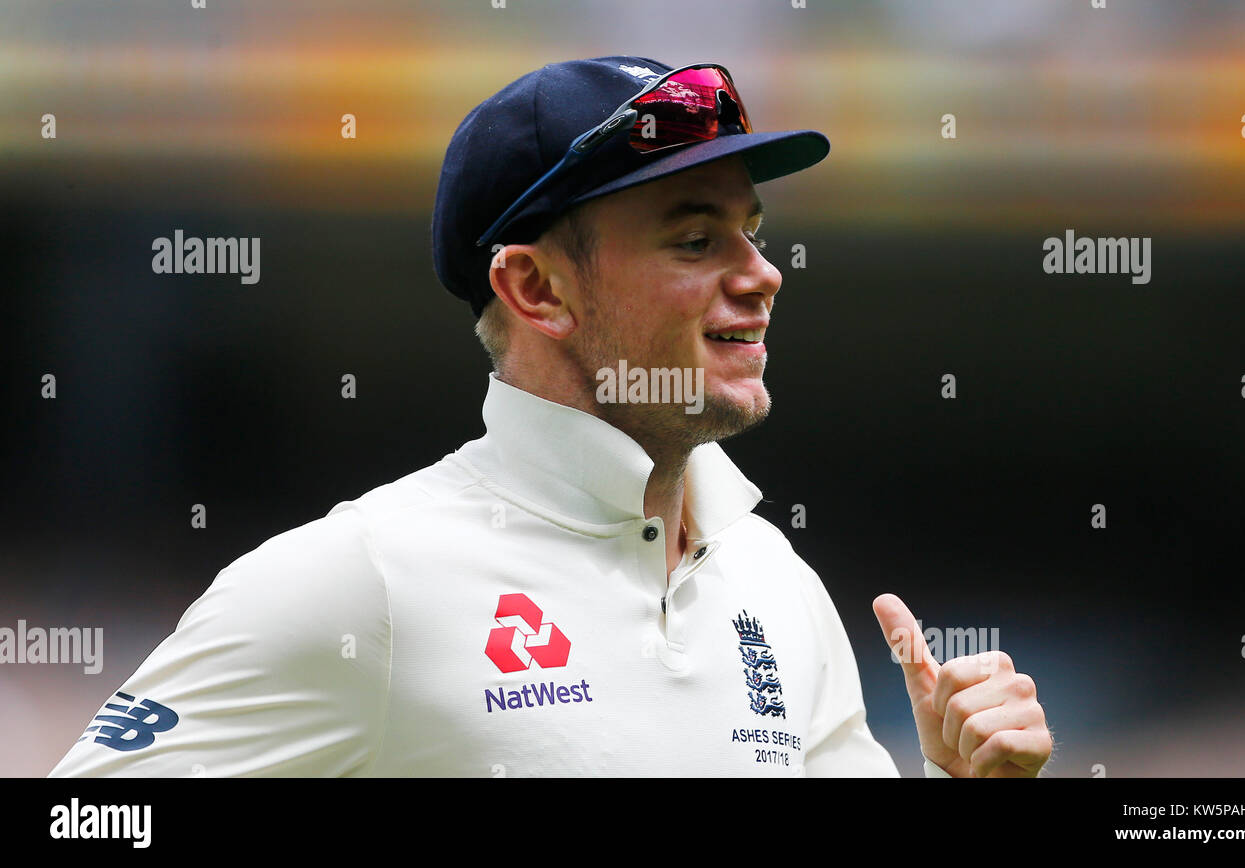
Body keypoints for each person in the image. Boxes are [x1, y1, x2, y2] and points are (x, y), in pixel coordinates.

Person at [49, 56, 1051, 777]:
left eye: (751, 231)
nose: (762, 275)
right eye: (696, 239)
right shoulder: (362, 578)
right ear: (536, 288)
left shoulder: (772, 579)